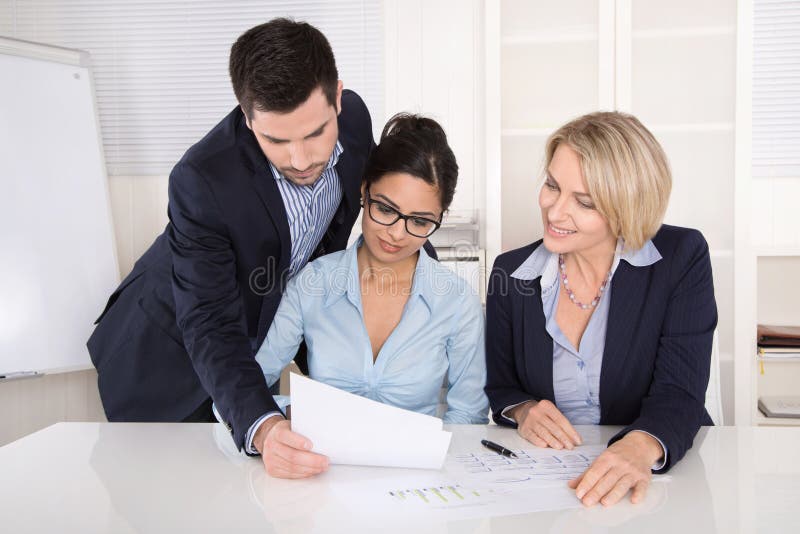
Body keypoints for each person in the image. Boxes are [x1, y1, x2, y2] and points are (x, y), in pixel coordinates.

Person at [86, 18, 376, 455]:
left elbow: (370, 215)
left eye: (316, 133)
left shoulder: (355, 122)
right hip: (165, 358)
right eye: (277, 140)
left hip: (255, 346)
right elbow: (207, 320)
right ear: (247, 117)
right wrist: (260, 425)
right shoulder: (203, 178)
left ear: (337, 97)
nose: (300, 159)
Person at [484, 111, 717, 507]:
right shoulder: (511, 273)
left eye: (584, 202)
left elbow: (680, 392)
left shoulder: (681, 258)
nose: (555, 212)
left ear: (627, 207)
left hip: (655, 481)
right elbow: (501, 385)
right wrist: (524, 411)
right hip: (546, 480)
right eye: (552, 186)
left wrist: (640, 446)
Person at [252, 114, 489, 479]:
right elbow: (247, 387)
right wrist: (284, 417)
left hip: (417, 482)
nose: (397, 233)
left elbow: (468, 417)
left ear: (439, 218)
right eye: (385, 209)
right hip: (320, 476)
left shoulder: (457, 303)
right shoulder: (312, 284)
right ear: (364, 192)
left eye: (420, 221)